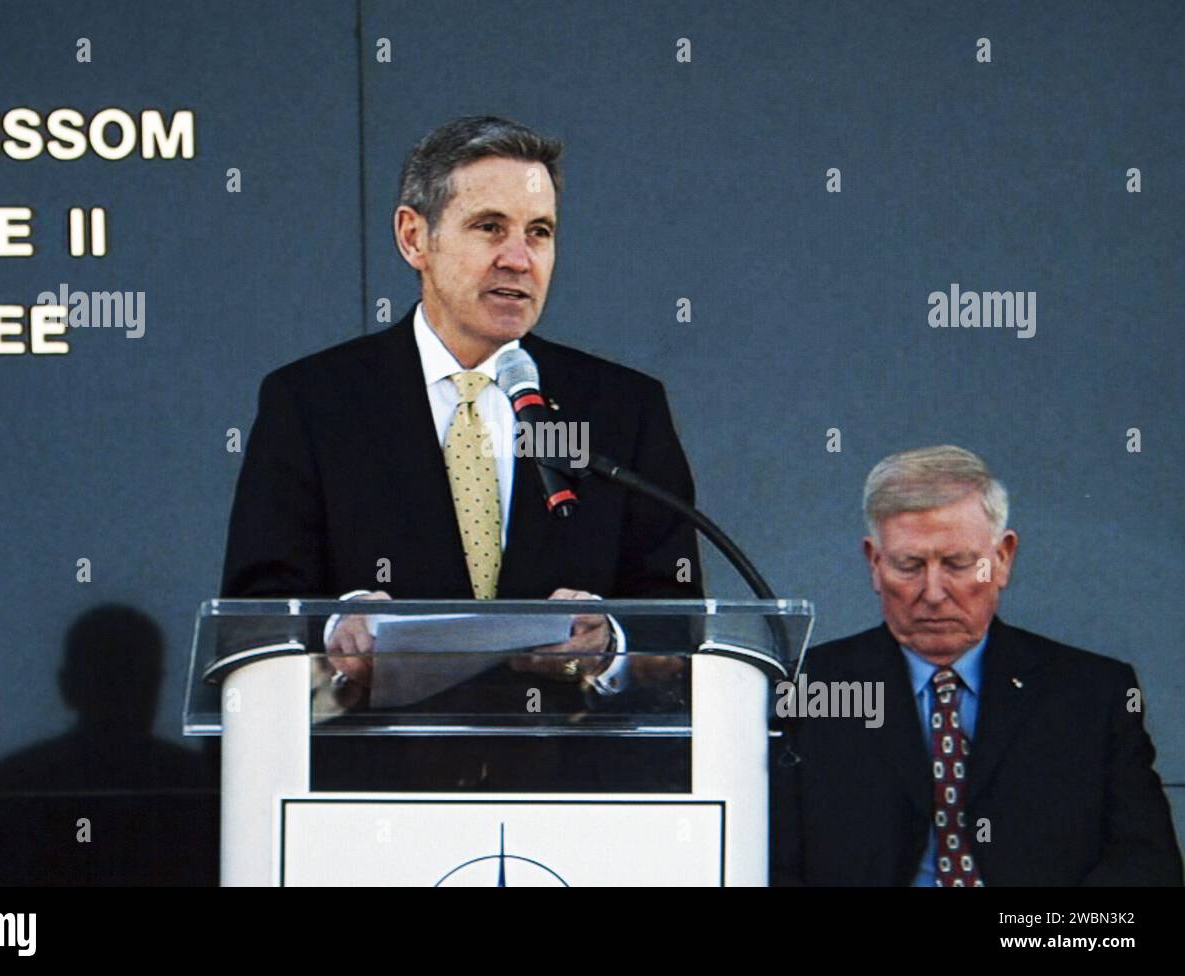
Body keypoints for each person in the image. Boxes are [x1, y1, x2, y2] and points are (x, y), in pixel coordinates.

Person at [220, 116, 702, 790]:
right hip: (371, 801)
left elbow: (678, 620)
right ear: (414, 236)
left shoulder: (621, 408)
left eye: (540, 232)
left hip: (572, 804)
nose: (518, 257)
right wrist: (338, 637)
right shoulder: (314, 402)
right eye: (489, 227)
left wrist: (609, 648)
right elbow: (255, 613)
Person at [771, 444, 1182, 886]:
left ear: (1003, 558)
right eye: (909, 566)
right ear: (874, 563)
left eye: (958, 564)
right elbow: (765, 864)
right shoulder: (813, 690)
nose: (932, 592)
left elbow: (1148, 868)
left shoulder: (1092, 695)